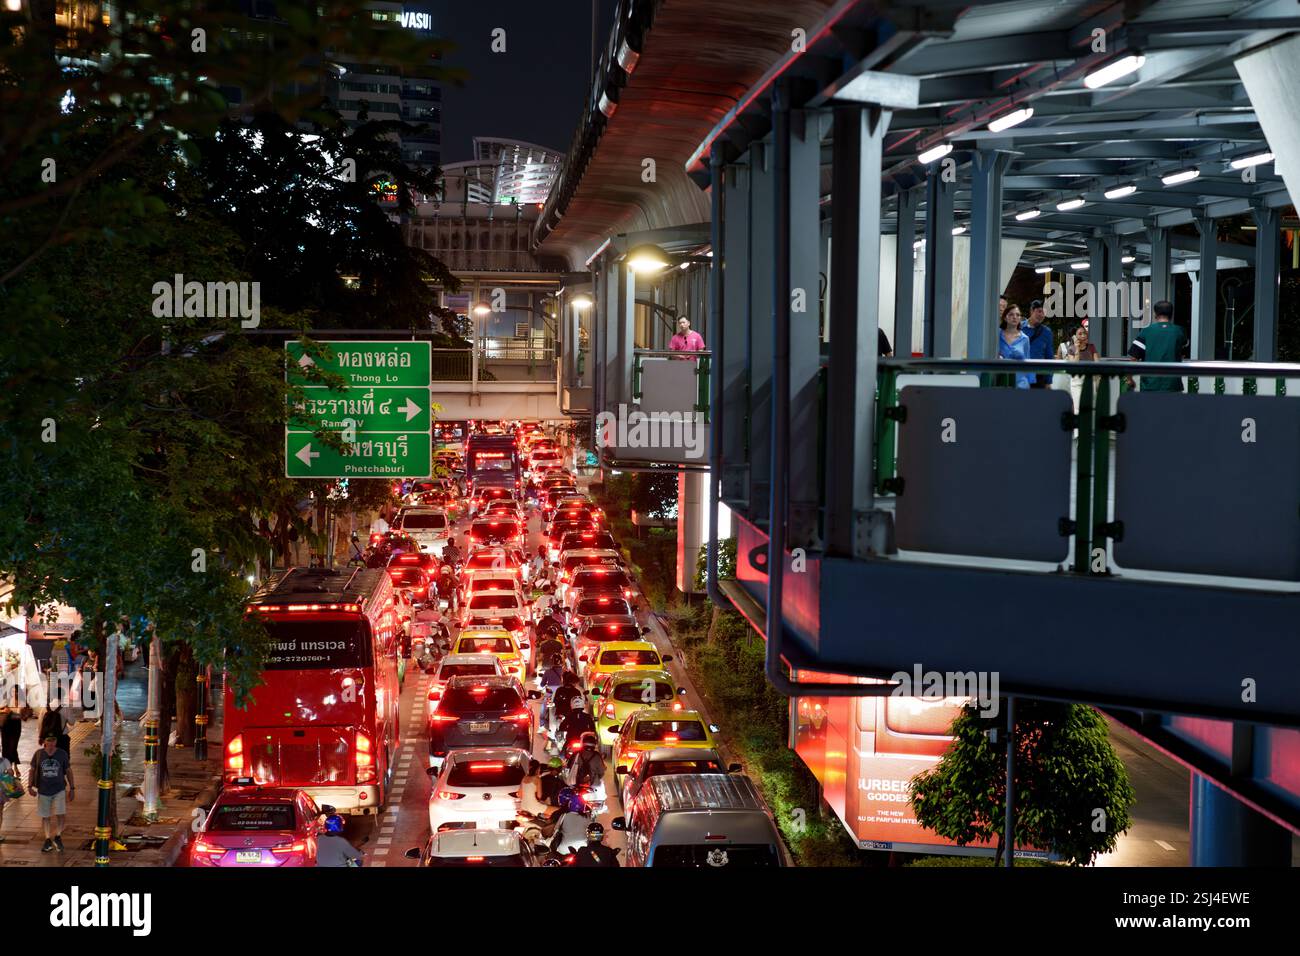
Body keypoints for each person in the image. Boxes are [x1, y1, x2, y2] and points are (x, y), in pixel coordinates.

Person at [1128, 299, 1188, 391]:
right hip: (1173, 385)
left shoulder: (1146, 331)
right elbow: (1182, 354)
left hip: (1150, 385)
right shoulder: (1179, 331)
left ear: (1155, 314)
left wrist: (1130, 379)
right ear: (1171, 314)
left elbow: (1134, 358)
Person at [28, 734, 74, 852]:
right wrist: (29, 786)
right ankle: (47, 838)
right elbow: (32, 770)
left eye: (54, 740)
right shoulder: (38, 754)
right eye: (49, 741)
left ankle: (58, 836)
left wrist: (72, 788)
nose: (51, 744)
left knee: (61, 813)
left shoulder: (62, 754)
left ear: (56, 741)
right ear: (45, 742)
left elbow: (68, 770)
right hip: (43, 790)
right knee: (45, 815)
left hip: (59, 789)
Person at [997, 304, 1033, 390]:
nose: (1015, 317)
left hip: (1020, 384)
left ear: (1020, 319)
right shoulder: (997, 334)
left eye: (1017, 315)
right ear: (1005, 317)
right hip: (1001, 382)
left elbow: (1028, 362)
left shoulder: (1025, 339)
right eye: (1011, 314)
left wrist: (1030, 383)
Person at [1021, 299, 1054, 388]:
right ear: (1031, 310)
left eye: (1044, 312)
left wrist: (1049, 381)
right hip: (1020, 374)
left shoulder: (1047, 332)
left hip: (1039, 376)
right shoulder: (1019, 328)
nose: (1041, 315)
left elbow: (1049, 357)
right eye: (1039, 311)